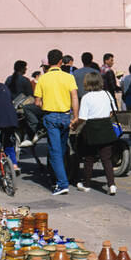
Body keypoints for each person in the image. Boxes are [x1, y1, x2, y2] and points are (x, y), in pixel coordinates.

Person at [34, 47, 79, 195]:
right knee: (62, 148)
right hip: (66, 116)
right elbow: (74, 97)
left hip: (51, 116)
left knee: (55, 151)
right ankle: (60, 177)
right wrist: (76, 116)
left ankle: (62, 183)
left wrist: (47, 103)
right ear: (61, 61)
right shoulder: (68, 77)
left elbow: (37, 102)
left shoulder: (43, 78)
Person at [70, 72, 119, 196]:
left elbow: (82, 118)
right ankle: (111, 185)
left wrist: (75, 124)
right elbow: (113, 112)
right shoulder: (107, 94)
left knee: (89, 158)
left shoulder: (87, 97)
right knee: (106, 159)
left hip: (91, 129)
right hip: (106, 128)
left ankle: (86, 185)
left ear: (87, 83)